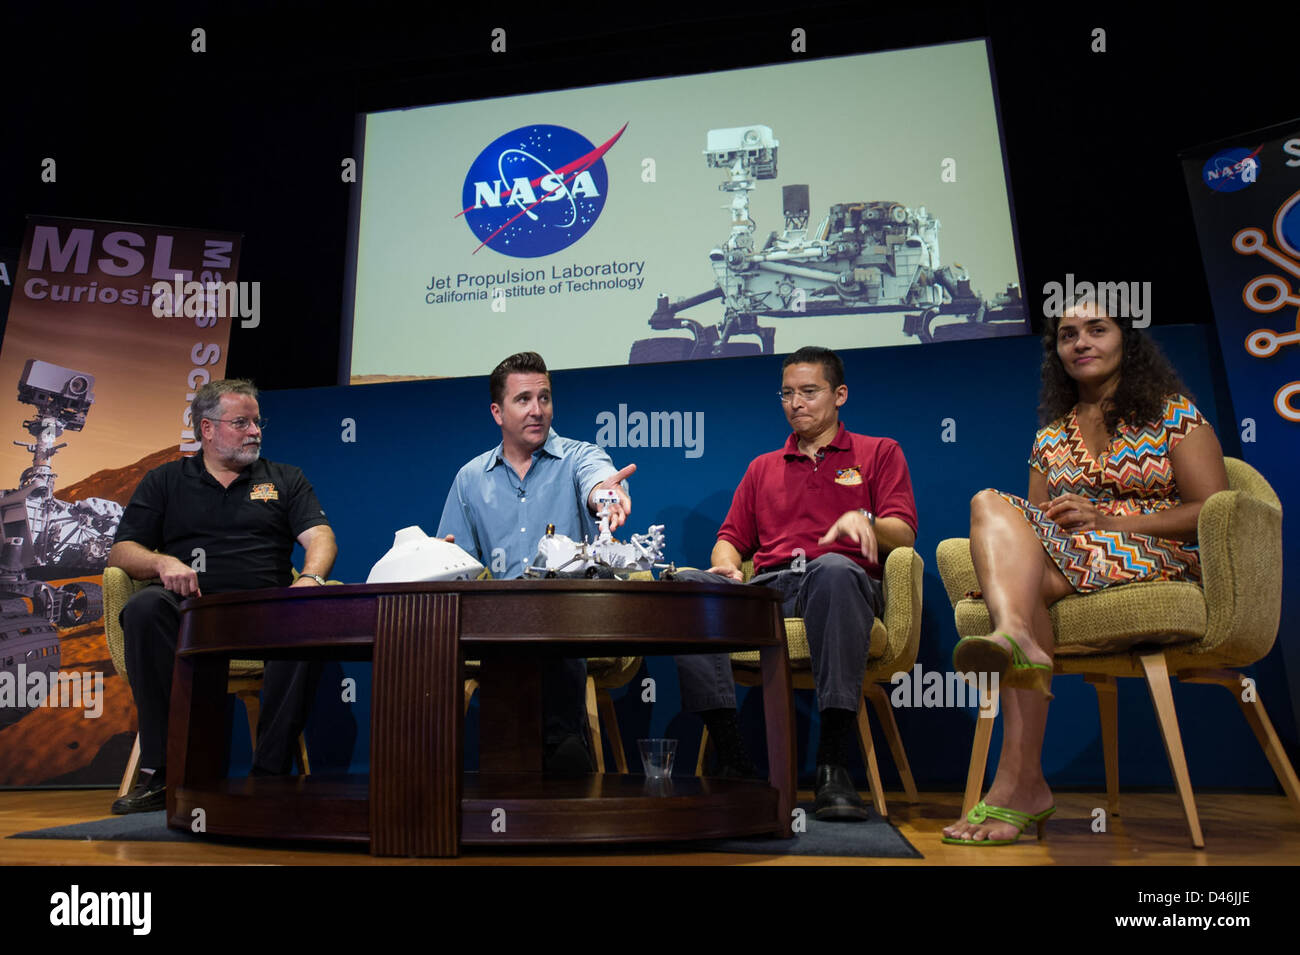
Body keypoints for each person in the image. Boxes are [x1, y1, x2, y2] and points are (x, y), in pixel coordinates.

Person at [942, 298, 1228, 845]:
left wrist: (1113, 521)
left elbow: (1212, 509)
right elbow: (1029, 527)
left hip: (1154, 556)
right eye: (1068, 334)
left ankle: (1017, 786)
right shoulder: (1051, 436)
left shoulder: (1173, 413)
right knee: (989, 505)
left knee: (1019, 597)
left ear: (1126, 340)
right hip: (1072, 562)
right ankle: (1016, 643)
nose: (1081, 342)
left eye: (1097, 329)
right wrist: (1065, 525)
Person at [674, 345, 918, 820]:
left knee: (833, 569)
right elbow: (730, 540)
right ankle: (737, 760)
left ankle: (832, 764)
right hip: (771, 587)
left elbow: (904, 533)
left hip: (840, 582)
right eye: (787, 393)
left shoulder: (878, 451)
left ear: (839, 394)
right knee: (689, 588)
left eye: (809, 392)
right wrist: (724, 566)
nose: (796, 403)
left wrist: (863, 518)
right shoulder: (763, 467)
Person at [107, 379, 337, 813]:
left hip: (265, 610)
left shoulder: (283, 479)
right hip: (192, 610)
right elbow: (122, 549)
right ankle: (164, 772)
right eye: (241, 422)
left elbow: (320, 535)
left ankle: (270, 776)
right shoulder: (165, 481)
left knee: (307, 615)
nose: (255, 431)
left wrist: (309, 580)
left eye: (257, 421)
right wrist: (162, 563)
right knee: (143, 607)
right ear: (207, 429)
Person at [436, 351, 635, 774]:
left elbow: (599, 482)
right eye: (523, 399)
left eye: (544, 398)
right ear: (497, 411)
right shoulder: (470, 479)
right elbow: (457, 564)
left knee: (549, 622)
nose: (537, 410)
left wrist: (607, 497)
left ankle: (550, 750)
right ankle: (518, 760)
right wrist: (445, 558)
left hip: (569, 618)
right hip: (499, 625)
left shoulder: (579, 457)